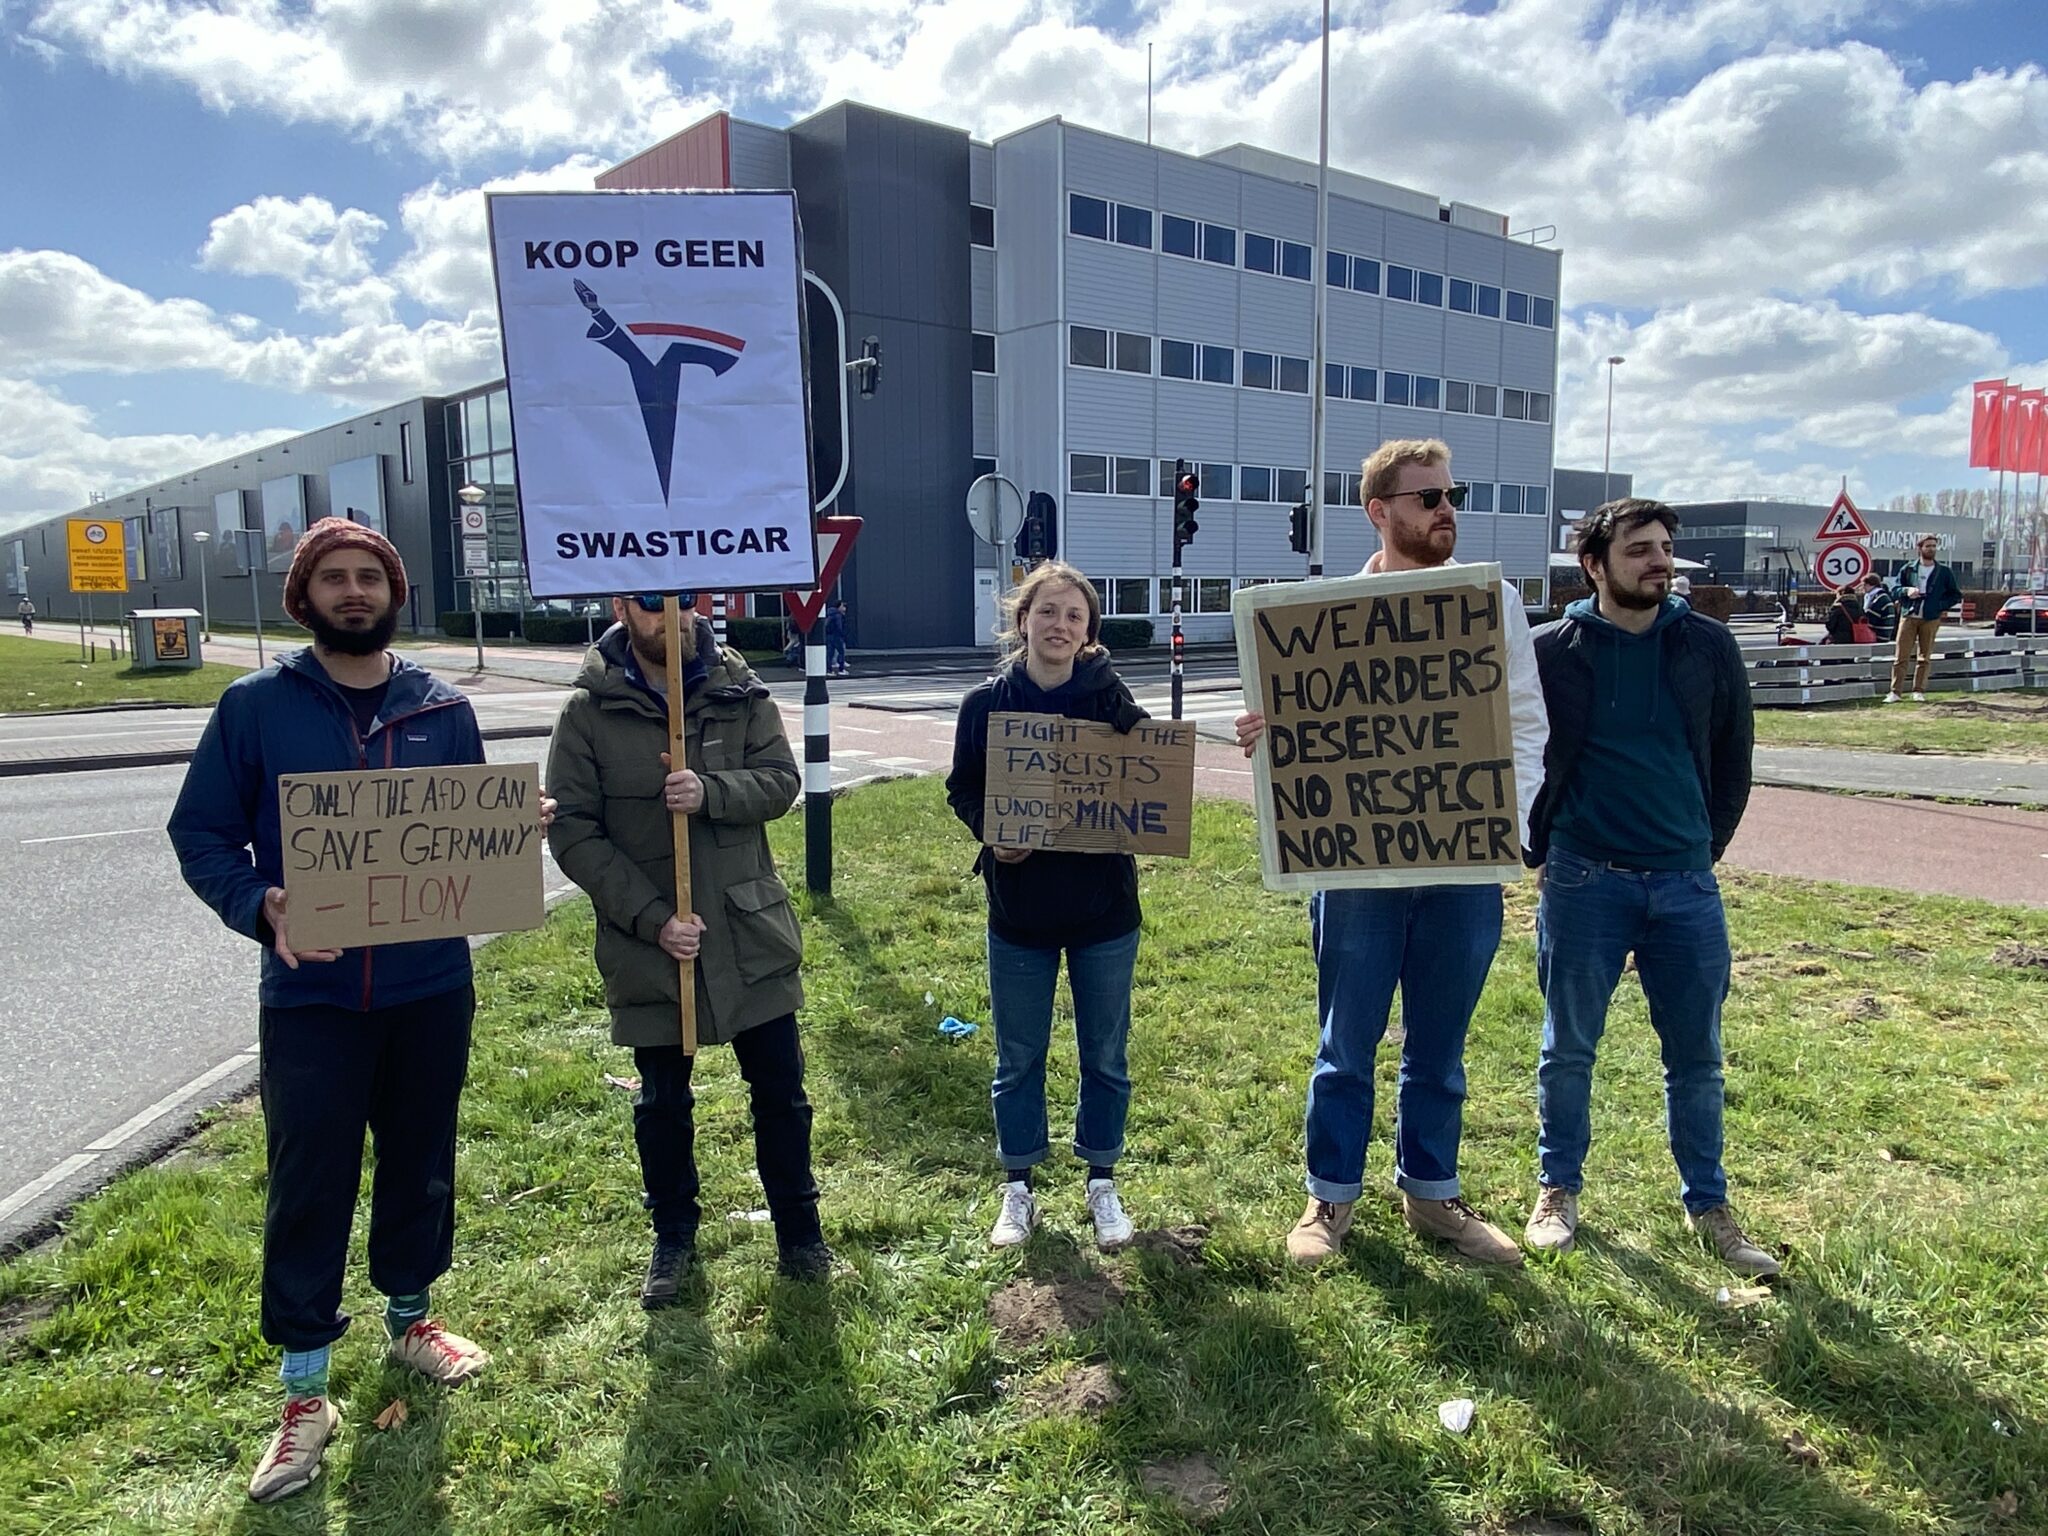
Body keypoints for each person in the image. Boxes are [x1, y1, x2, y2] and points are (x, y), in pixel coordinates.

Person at [168, 518, 535, 1503]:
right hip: (313, 998)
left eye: (368, 576)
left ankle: (411, 1319)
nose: (353, 592)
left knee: (420, 1161)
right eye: (333, 578)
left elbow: (465, 836)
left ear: (392, 591)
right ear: (306, 597)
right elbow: (200, 832)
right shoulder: (254, 708)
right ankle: (303, 1395)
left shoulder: (441, 705)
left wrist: (506, 831)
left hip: (427, 990)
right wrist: (260, 905)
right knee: (309, 1182)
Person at [1233, 439, 1548, 1268]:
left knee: (1439, 1046)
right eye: (1425, 498)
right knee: (1347, 1042)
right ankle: (1328, 1200)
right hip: (1358, 870)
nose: (1445, 510)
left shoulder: (1493, 604)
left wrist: (1509, 823)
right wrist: (1267, 739)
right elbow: (1308, 729)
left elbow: (1523, 720)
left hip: (1464, 864)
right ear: (1379, 511)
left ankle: (1432, 1194)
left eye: (1451, 494)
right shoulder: (1323, 617)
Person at [545, 592, 830, 1307]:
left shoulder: (740, 689)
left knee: (781, 1094)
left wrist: (711, 791)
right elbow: (573, 830)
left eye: (678, 600)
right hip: (653, 944)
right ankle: (673, 1238)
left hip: (749, 931)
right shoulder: (589, 712)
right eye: (647, 602)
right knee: (662, 1104)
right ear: (621, 606)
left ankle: (801, 1234)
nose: (664, 616)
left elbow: (781, 782)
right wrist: (651, 920)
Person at [1522, 499, 1778, 1278]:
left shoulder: (1708, 647)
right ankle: (1556, 1190)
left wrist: (1702, 849)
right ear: (1594, 565)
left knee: (1697, 1057)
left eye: (1665, 548)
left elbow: (1733, 760)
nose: (1659, 562)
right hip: (1581, 879)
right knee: (1568, 1048)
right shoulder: (1547, 651)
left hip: (1685, 887)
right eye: (1639, 550)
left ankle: (1710, 1205)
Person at [946, 561, 1147, 1252]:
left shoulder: (1110, 700)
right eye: (1048, 611)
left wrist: (1114, 693)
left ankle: (1102, 1179)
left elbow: (1151, 777)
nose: (1060, 625)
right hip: (1020, 914)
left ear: (1089, 632)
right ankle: (1019, 1185)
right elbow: (962, 789)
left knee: (1105, 1055)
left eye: (1075, 616)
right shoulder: (985, 706)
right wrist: (991, 832)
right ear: (1023, 619)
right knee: (1019, 1056)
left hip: (1104, 912)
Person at [1886, 533, 1962, 702]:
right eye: (1928, 546)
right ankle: (1895, 692)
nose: (1932, 549)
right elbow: (1894, 590)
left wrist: (1939, 606)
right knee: (1901, 655)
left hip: (1930, 617)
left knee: (1924, 656)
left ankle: (1918, 690)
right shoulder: (1908, 569)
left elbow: (1955, 595)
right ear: (1919, 548)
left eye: (1934, 546)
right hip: (1909, 615)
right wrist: (1906, 591)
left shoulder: (1943, 572)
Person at [1859, 573, 1897, 644]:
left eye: (1863, 585)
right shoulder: (1880, 596)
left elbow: (1871, 618)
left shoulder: (1879, 598)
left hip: (1880, 634)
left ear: (1870, 584)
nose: (1862, 588)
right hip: (1884, 633)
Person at [824, 598, 850, 676]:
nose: (844, 608)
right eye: (842, 606)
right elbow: (839, 627)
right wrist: (843, 634)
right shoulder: (838, 615)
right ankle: (841, 669)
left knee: (830, 653)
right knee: (841, 652)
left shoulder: (829, 613)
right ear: (839, 606)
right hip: (837, 636)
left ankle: (829, 670)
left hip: (829, 635)